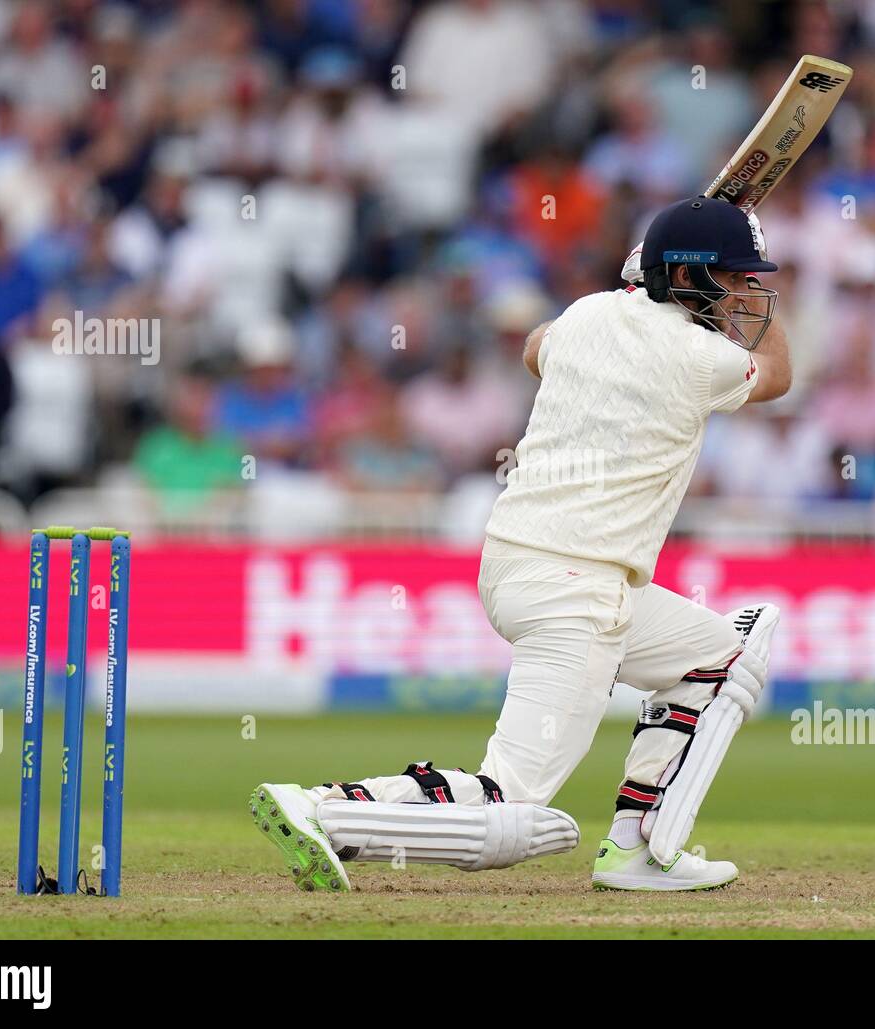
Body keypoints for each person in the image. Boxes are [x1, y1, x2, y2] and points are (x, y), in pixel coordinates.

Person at [252, 198, 791, 892]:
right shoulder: (699, 356)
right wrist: (741, 312)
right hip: (577, 585)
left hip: (530, 566)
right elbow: (777, 376)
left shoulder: (585, 317)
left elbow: (536, 347)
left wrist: (634, 290)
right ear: (690, 280)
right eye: (739, 279)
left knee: (721, 656)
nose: (750, 294)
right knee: (512, 805)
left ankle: (637, 846)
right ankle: (329, 806)